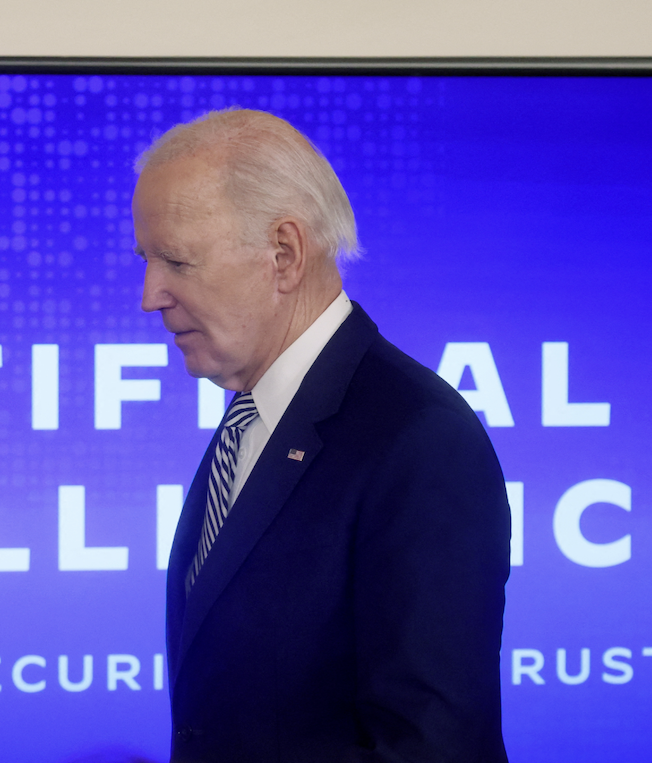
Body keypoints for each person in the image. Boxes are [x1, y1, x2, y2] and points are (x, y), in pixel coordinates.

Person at [132, 108, 510, 762]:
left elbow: (433, 746)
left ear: (284, 254)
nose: (150, 295)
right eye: (147, 260)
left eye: (177, 261)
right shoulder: (256, 413)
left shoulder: (418, 439)